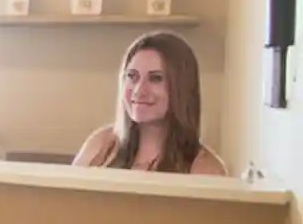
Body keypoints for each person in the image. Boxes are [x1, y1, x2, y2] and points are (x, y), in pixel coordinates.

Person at [72, 32, 228, 176]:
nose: (139, 91)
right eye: (132, 76)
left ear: (182, 87)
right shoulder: (102, 144)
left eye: (156, 78)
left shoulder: (206, 168)